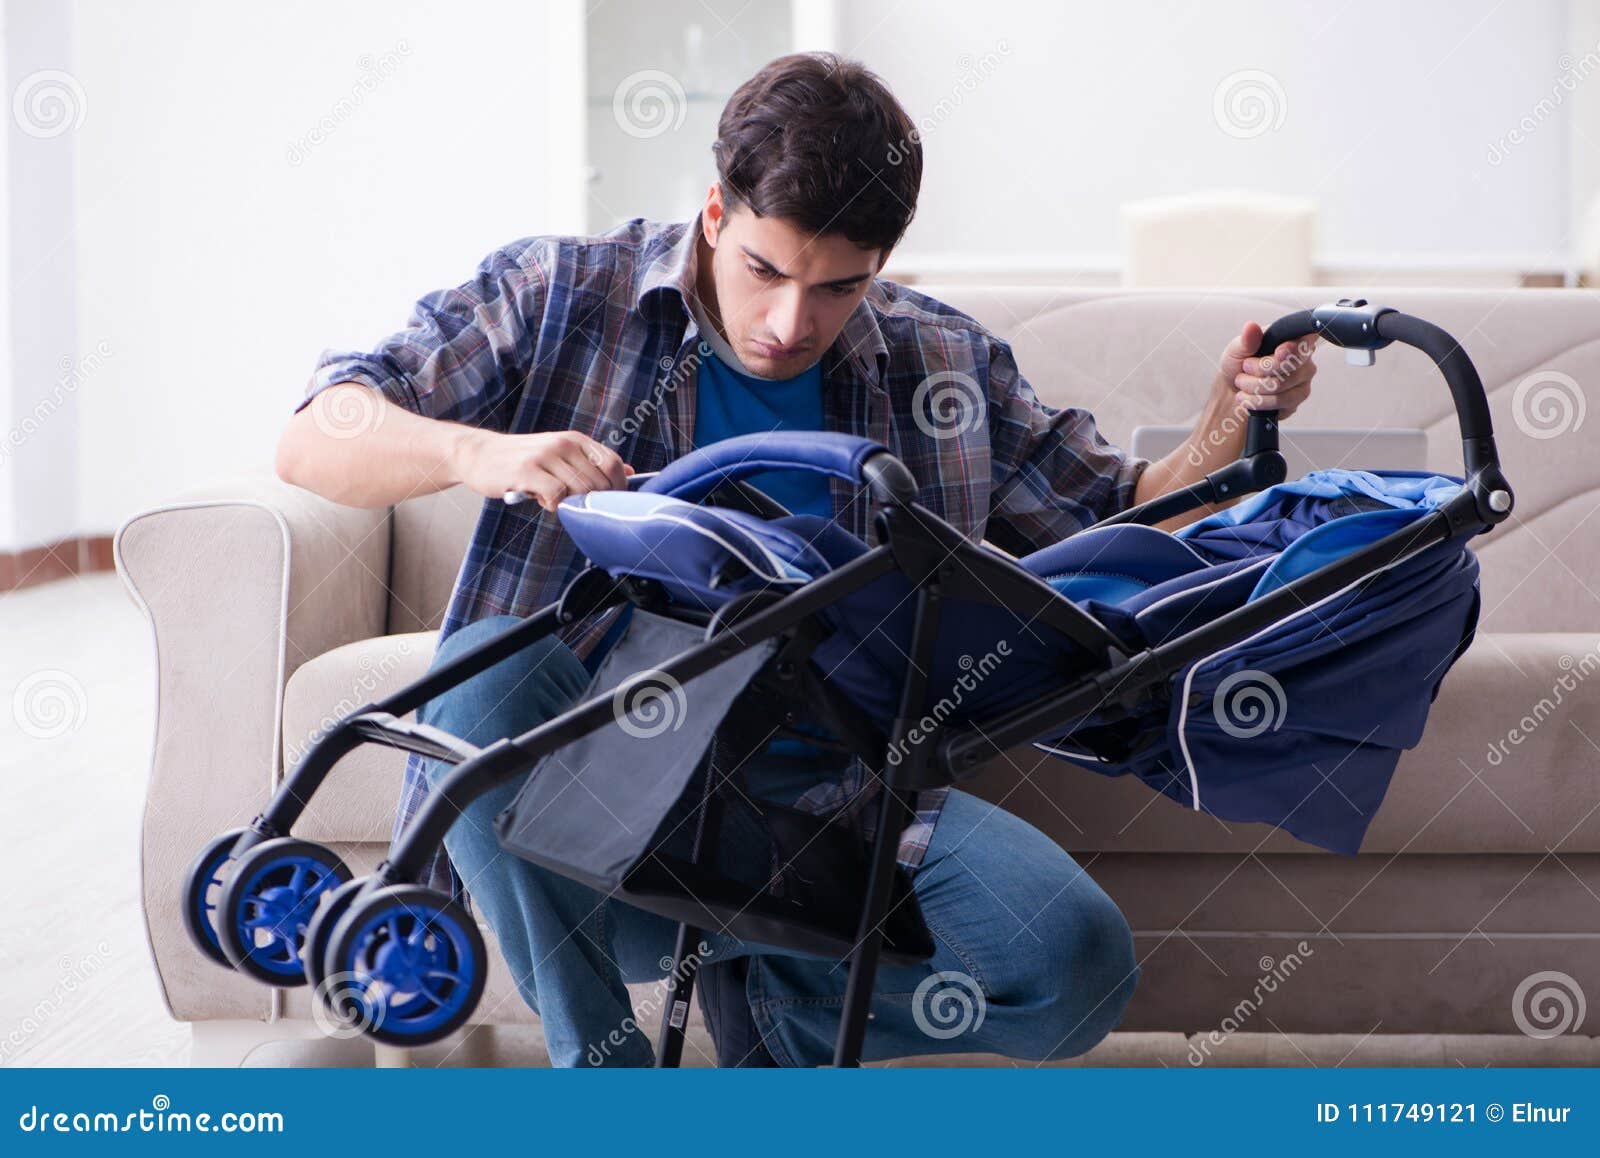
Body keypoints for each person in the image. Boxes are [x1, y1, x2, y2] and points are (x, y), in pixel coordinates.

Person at [275, 52, 1317, 1067]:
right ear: (715, 217)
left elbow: (1122, 517)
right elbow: (317, 434)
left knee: (1069, 970)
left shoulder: (940, 361)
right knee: (485, 674)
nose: (788, 323)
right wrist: (479, 451)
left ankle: (775, 1009)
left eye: (837, 288)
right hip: (589, 822)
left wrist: (1229, 416)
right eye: (765, 272)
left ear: (883, 264)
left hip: (835, 805)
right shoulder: (560, 294)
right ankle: (601, 1075)